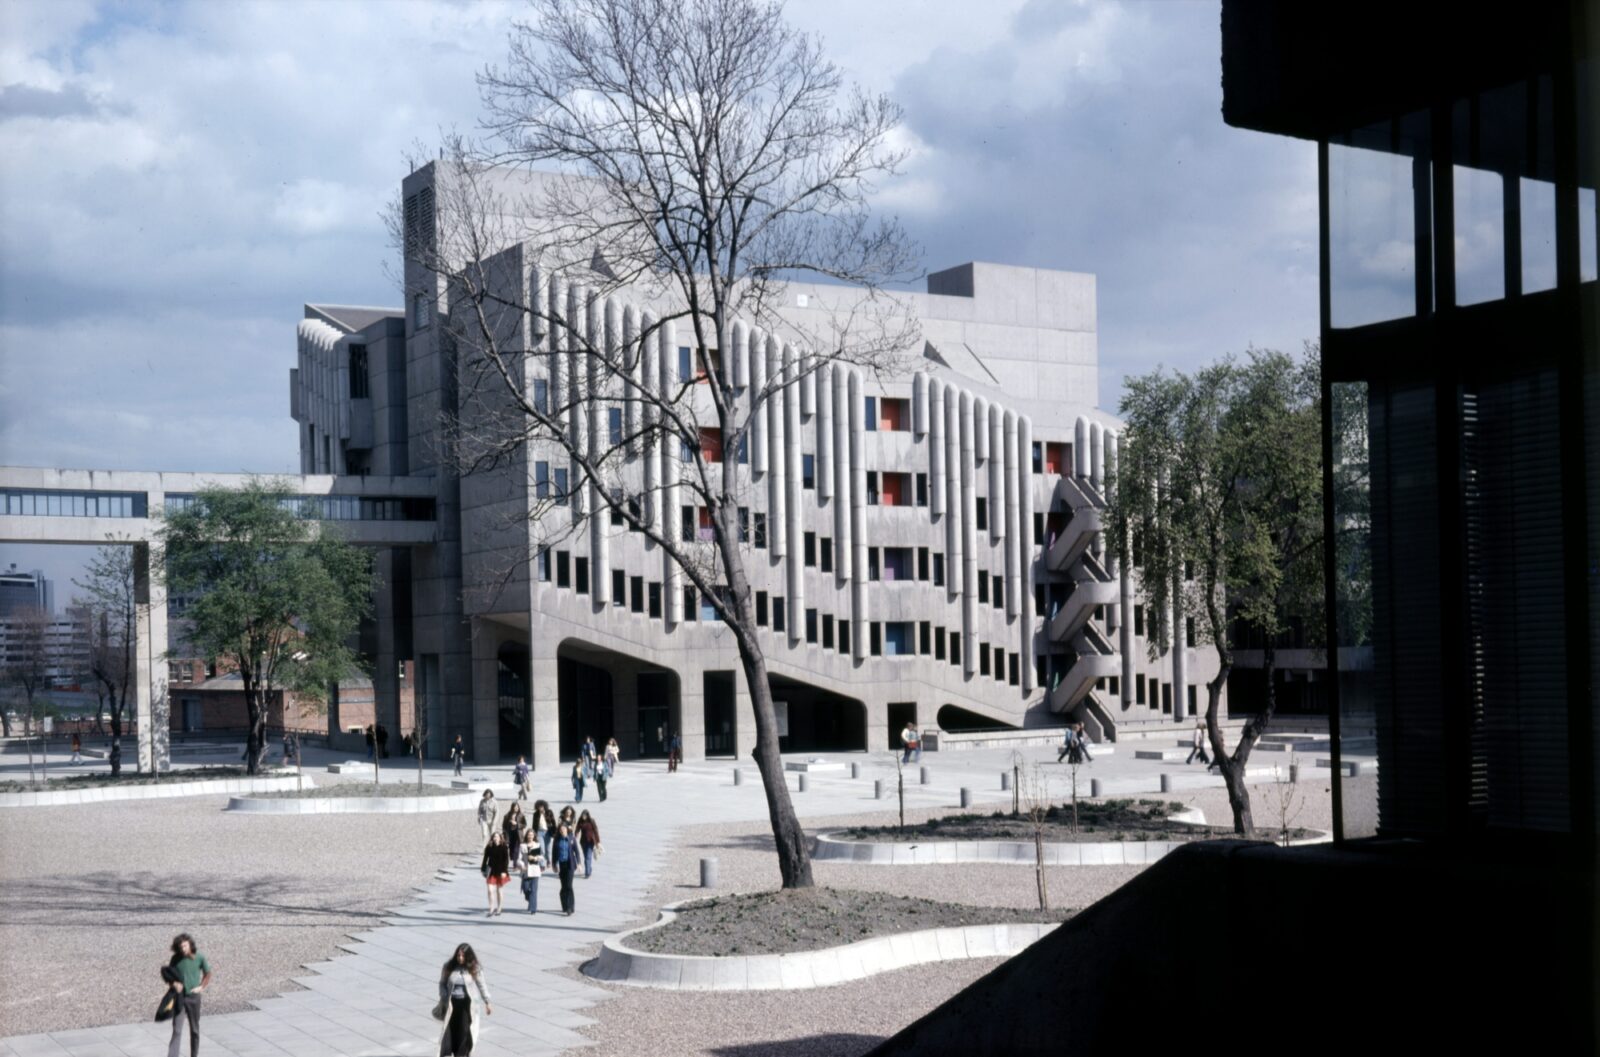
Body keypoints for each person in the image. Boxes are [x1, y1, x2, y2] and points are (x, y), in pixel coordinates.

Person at [436, 943, 491, 1056]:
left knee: (464, 1032)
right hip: (451, 1005)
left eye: (463, 956)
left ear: (468, 957)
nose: (460, 958)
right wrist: (444, 995)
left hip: (467, 1006)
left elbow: (482, 985)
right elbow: (442, 983)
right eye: (458, 956)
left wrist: (487, 1001)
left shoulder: (474, 968)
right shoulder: (449, 967)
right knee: (449, 1032)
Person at [165, 933, 213, 1057]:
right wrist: (173, 984)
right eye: (181, 947)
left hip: (193, 997)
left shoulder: (199, 957)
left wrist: (201, 987)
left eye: (185, 946)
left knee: (194, 1029)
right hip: (179, 997)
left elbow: (208, 973)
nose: (183, 949)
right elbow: (169, 975)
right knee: (177, 1029)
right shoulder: (175, 958)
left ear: (190, 944)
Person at [481, 831, 512, 916]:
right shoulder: (489, 847)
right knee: (490, 890)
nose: (495, 838)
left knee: (499, 890)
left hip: (501, 871)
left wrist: (504, 871)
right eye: (494, 836)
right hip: (491, 871)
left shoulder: (504, 847)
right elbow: (485, 859)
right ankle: (491, 908)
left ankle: (499, 908)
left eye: (497, 836)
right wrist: (483, 869)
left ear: (500, 838)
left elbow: (506, 861)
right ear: (492, 838)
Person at [551, 822, 578, 915]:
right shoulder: (557, 839)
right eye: (561, 829)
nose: (562, 831)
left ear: (567, 829)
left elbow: (576, 851)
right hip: (561, 865)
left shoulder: (571, 838)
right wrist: (554, 864)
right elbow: (554, 853)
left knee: (569, 886)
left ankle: (570, 907)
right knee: (563, 886)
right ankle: (564, 905)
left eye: (564, 829)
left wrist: (579, 863)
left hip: (570, 864)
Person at [518, 836, 543, 914]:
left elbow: (541, 857)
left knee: (534, 890)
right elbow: (519, 859)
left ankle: (533, 909)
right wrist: (522, 865)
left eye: (532, 835)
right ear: (527, 836)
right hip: (525, 870)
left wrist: (535, 858)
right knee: (525, 888)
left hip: (535, 870)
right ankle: (531, 901)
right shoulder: (522, 846)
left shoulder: (537, 845)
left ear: (534, 837)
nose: (530, 837)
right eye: (529, 835)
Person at [576, 809, 602, 880]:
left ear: (587, 815)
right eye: (582, 815)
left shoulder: (591, 821)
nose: (583, 817)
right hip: (583, 842)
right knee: (586, 857)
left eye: (585, 815)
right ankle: (589, 869)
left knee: (588, 856)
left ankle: (587, 873)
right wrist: (575, 835)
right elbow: (577, 829)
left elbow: (596, 831)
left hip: (591, 841)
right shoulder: (580, 821)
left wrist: (598, 841)